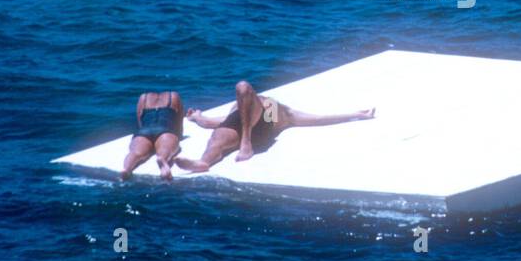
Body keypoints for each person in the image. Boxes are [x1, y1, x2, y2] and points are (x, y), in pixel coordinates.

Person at [175, 81, 374, 173]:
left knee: (242, 87)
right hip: (243, 125)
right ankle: (203, 163)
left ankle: (245, 142)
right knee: (217, 140)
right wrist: (198, 117)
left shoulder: (276, 108)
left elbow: (318, 118)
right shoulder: (240, 111)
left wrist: (355, 115)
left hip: (263, 126)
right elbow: (211, 122)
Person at [121, 91, 184, 181]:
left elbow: (140, 120)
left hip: (144, 131)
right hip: (165, 129)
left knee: (135, 153)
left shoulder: (143, 97)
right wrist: (178, 136)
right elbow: (179, 119)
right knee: (165, 151)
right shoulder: (173, 96)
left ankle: (126, 168)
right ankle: (162, 160)